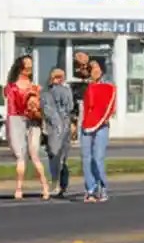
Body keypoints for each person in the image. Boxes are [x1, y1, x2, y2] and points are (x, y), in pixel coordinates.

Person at [3, 55, 50, 201]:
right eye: (27, 66)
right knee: (31, 155)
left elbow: (10, 104)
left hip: (19, 119)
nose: (29, 68)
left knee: (24, 156)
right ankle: (44, 188)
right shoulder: (33, 88)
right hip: (26, 119)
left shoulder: (12, 88)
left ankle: (20, 189)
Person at [80, 59, 116, 203]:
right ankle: (90, 189)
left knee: (97, 157)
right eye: (92, 68)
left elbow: (111, 106)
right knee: (86, 158)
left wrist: (105, 117)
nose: (95, 70)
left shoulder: (108, 87)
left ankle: (102, 187)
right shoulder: (86, 87)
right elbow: (83, 106)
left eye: (97, 67)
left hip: (101, 125)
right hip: (86, 125)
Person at [41, 67, 74, 198]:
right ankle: (63, 184)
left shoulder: (46, 93)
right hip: (65, 124)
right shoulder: (67, 91)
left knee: (54, 156)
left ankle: (55, 184)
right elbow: (70, 107)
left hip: (53, 127)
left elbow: (47, 111)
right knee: (63, 157)